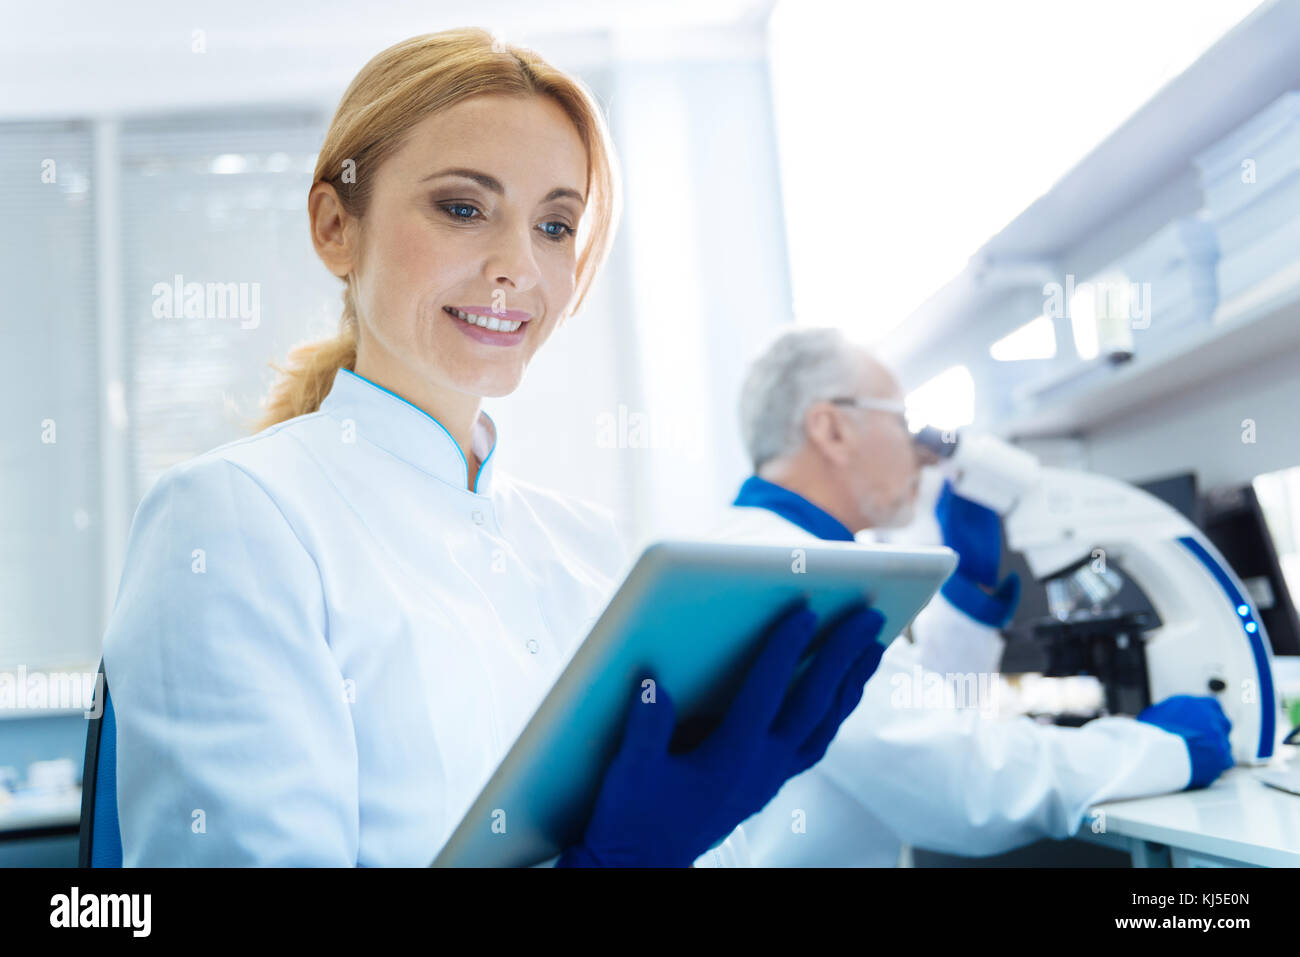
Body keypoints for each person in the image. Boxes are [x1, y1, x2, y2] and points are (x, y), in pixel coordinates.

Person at [100, 29, 885, 868]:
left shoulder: (592, 548)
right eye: (464, 208)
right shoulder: (234, 516)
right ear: (336, 226)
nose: (519, 265)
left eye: (555, 224)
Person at [718, 326, 1235, 867]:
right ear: (831, 429)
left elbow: (911, 721)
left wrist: (968, 599)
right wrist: (1161, 749)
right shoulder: (796, 578)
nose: (922, 455)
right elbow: (965, 786)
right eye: (901, 421)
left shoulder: (781, 556)